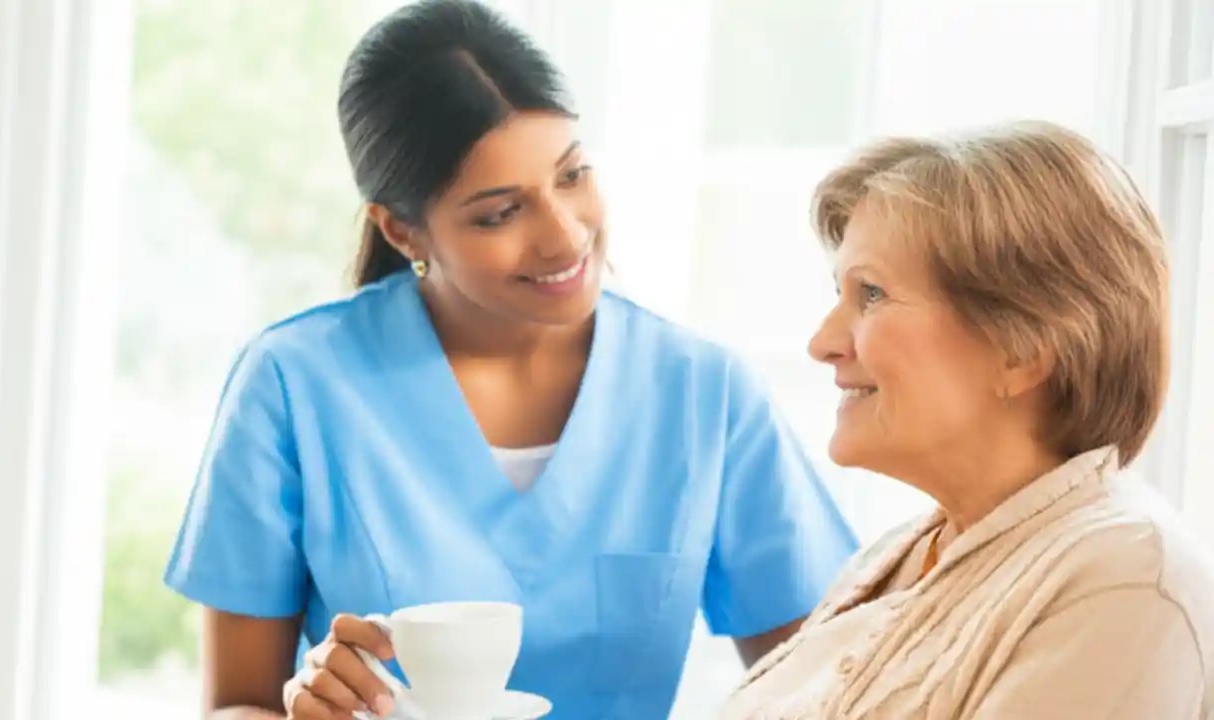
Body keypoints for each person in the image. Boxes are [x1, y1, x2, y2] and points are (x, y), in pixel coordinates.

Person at [164, 1, 857, 718]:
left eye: (572, 175)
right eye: (500, 213)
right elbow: (237, 704)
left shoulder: (703, 394)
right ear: (403, 230)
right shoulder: (292, 383)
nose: (564, 238)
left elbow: (825, 691)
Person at [720, 121, 1214, 719]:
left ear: (1025, 348)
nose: (822, 342)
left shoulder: (1127, 581)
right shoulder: (899, 556)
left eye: (871, 293)